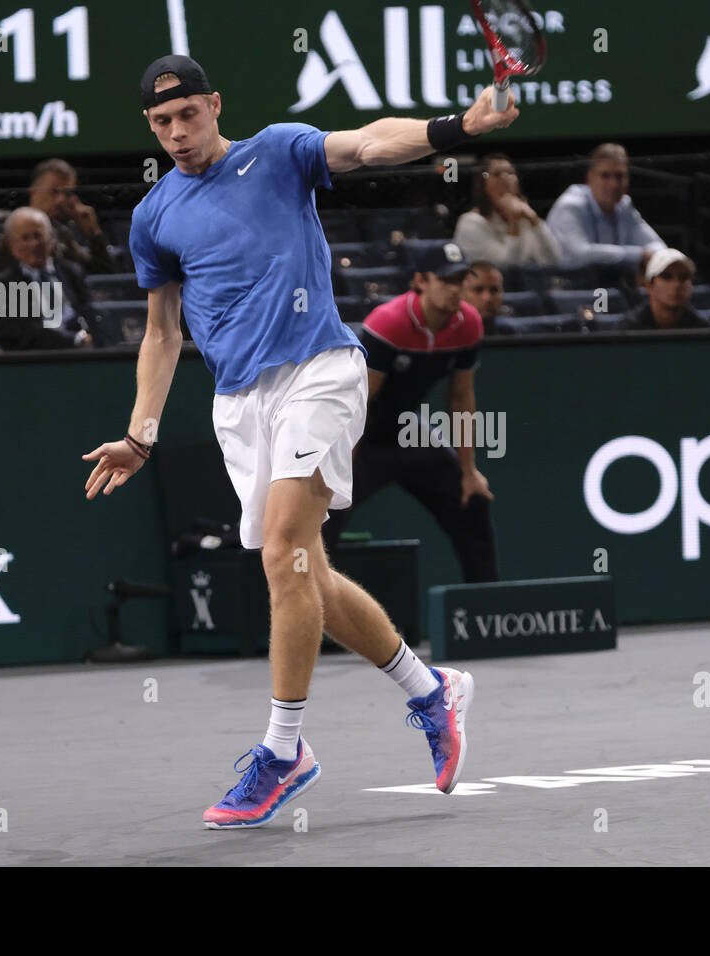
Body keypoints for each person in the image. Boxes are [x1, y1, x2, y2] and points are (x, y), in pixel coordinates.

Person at [81, 54, 519, 828]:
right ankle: (431, 690)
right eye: (161, 123)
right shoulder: (154, 216)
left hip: (318, 367)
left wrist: (456, 128)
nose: (178, 133)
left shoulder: (278, 151)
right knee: (304, 570)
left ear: (216, 105)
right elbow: (160, 330)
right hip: (237, 403)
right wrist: (138, 434)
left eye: (188, 115)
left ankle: (284, 751)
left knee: (284, 549)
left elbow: (368, 145)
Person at [324, 241, 499, 584]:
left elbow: (461, 399)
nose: (455, 289)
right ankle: (312, 616)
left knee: (472, 500)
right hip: (363, 437)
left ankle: (486, 610)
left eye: (460, 280)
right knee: (325, 517)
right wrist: (340, 473)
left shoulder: (469, 324)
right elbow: (359, 406)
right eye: (446, 280)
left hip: (409, 431)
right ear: (420, 281)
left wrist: (468, 470)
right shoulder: (389, 324)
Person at [546, 143, 667, 271]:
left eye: (620, 176)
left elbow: (658, 247)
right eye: (605, 176)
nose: (614, 184)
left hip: (607, 286)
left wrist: (655, 256)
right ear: (590, 178)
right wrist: (639, 255)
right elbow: (581, 254)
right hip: (566, 286)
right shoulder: (570, 205)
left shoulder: (624, 205)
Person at [0, 208, 96, 350]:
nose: (34, 244)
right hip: (37, 358)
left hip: (84, 352)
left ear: (51, 238)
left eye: (38, 235)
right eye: (25, 238)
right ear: (12, 246)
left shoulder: (71, 272)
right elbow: (24, 333)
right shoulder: (4, 284)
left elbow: (90, 312)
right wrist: (75, 340)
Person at [0, 159, 116, 275]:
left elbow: (103, 276)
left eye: (67, 193)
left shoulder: (62, 235)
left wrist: (93, 234)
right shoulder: (12, 229)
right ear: (34, 192)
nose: (61, 199)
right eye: (54, 191)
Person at [453, 154, 560, 267]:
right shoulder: (470, 223)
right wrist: (513, 224)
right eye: (496, 174)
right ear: (482, 185)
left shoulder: (525, 217)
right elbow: (506, 268)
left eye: (510, 173)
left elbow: (553, 260)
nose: (505, 178)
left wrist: (534, 220)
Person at [622, 248, 709, 330]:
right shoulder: (629, 328)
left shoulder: (703, 327)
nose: (677, 284)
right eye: (666, 277)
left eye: (683, 277)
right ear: (649, 285)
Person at [462, 260, 505, 334]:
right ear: (461, 293)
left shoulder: (512, 333)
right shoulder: (446, 336)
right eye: (478, 290)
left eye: (494, 290)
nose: (487, 298)